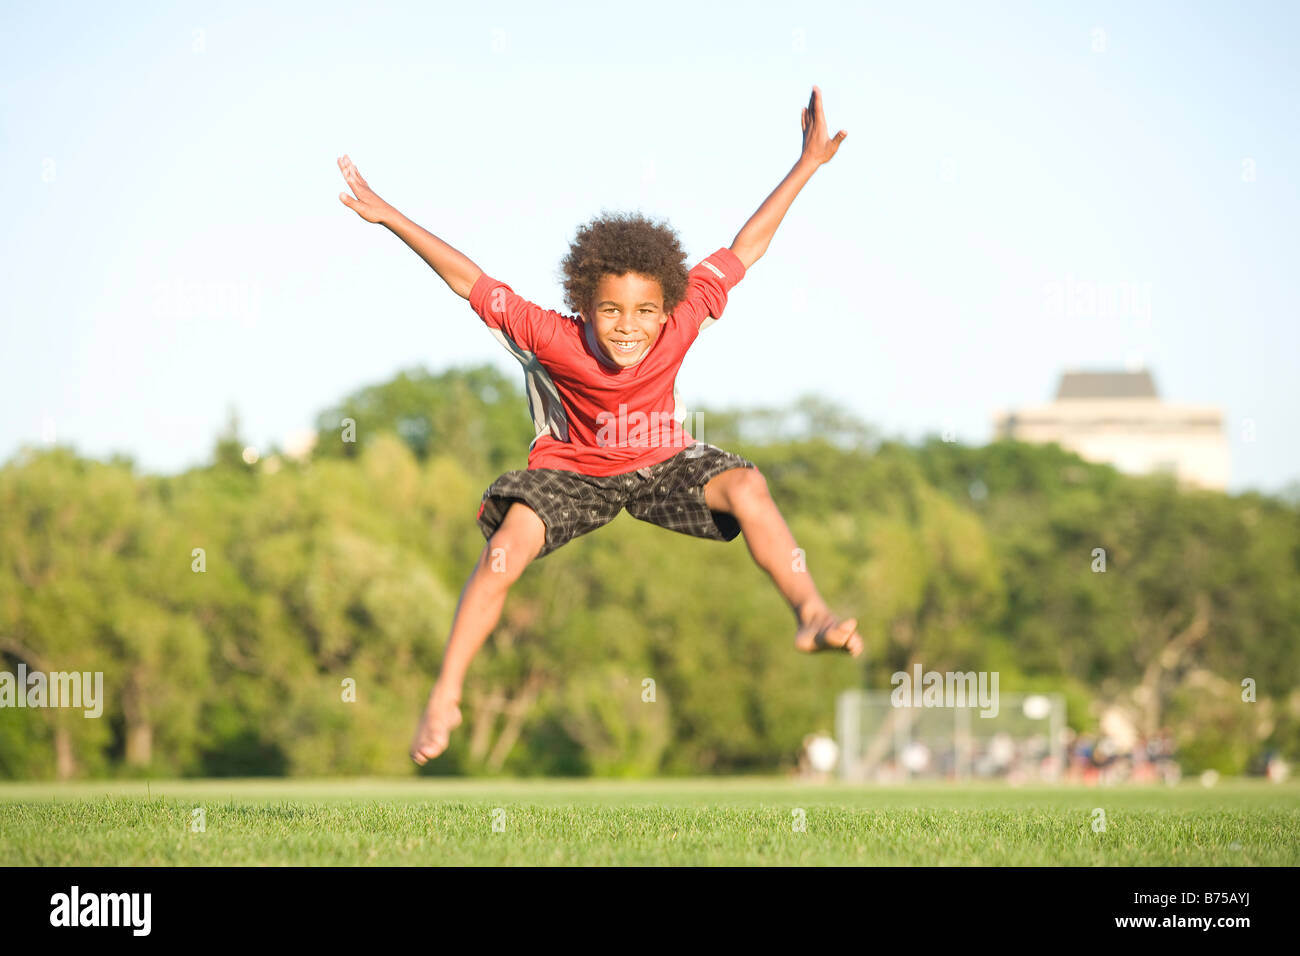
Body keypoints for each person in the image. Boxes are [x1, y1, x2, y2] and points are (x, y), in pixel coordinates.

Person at [338, 86, 859, 765]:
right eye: (611, 311)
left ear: (666, 306)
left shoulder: (685, 315)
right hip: (572, 469)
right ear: (582, 302)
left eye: (645, 313)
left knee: (748, 486)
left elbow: (746, 247)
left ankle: (811, 614)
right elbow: (467, 278)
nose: (629, 328)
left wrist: (808, 163)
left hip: (659, 460)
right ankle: (445, 694)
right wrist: (388, 216)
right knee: (503, 553)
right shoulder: (551, 335)